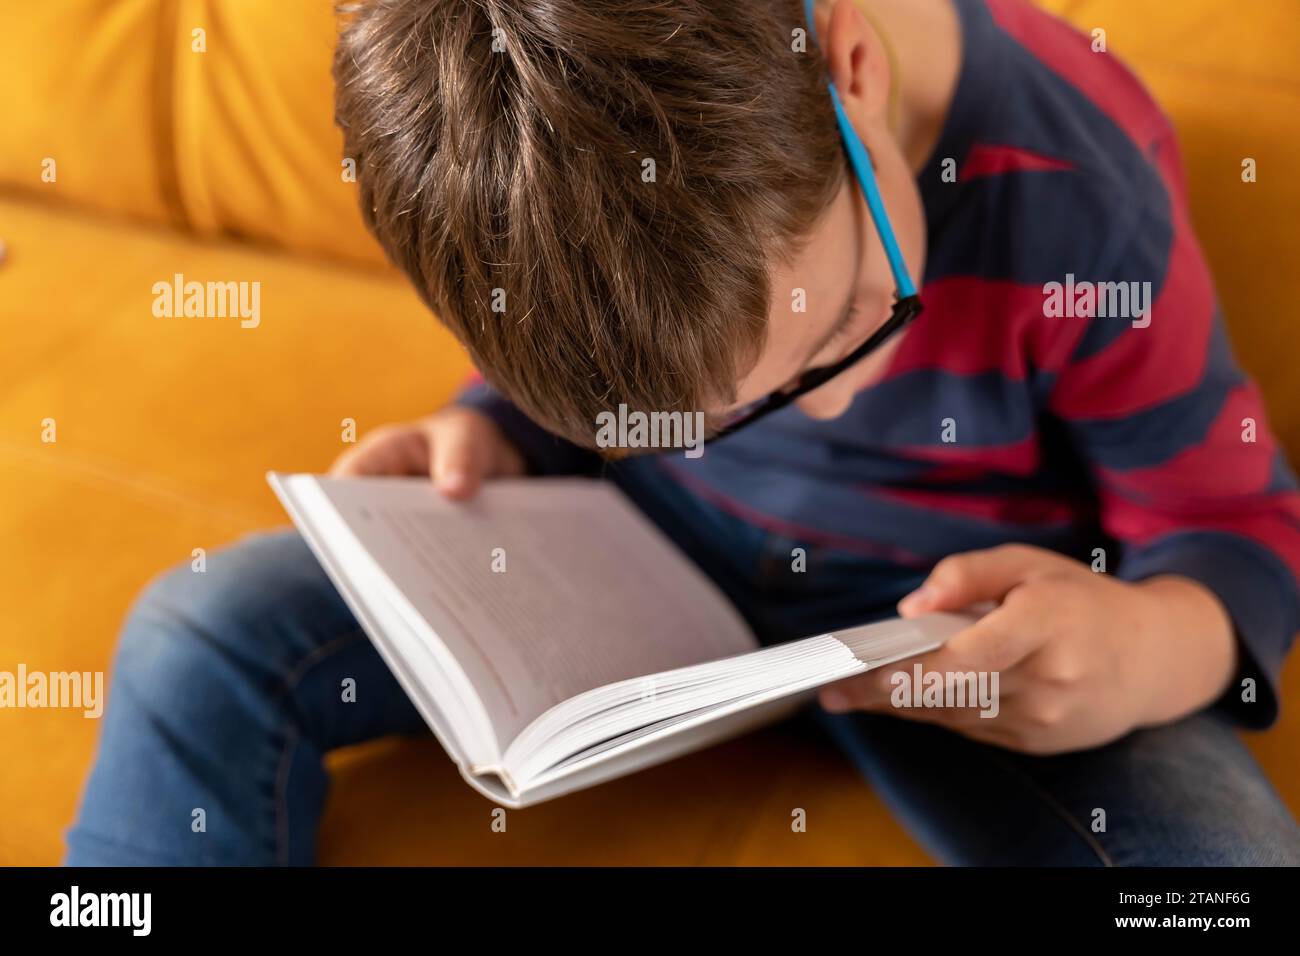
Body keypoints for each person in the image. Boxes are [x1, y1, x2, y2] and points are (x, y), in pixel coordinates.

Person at [67, 0, 1300, 865]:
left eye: (844, 332)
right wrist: (495, 431)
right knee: (195, 634)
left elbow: (1233, 524)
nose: (827, 401)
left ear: (852, 69)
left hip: (955, 641)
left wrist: (1142, 647)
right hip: (642, 559)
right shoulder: (547, 179)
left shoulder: (1077, 184)